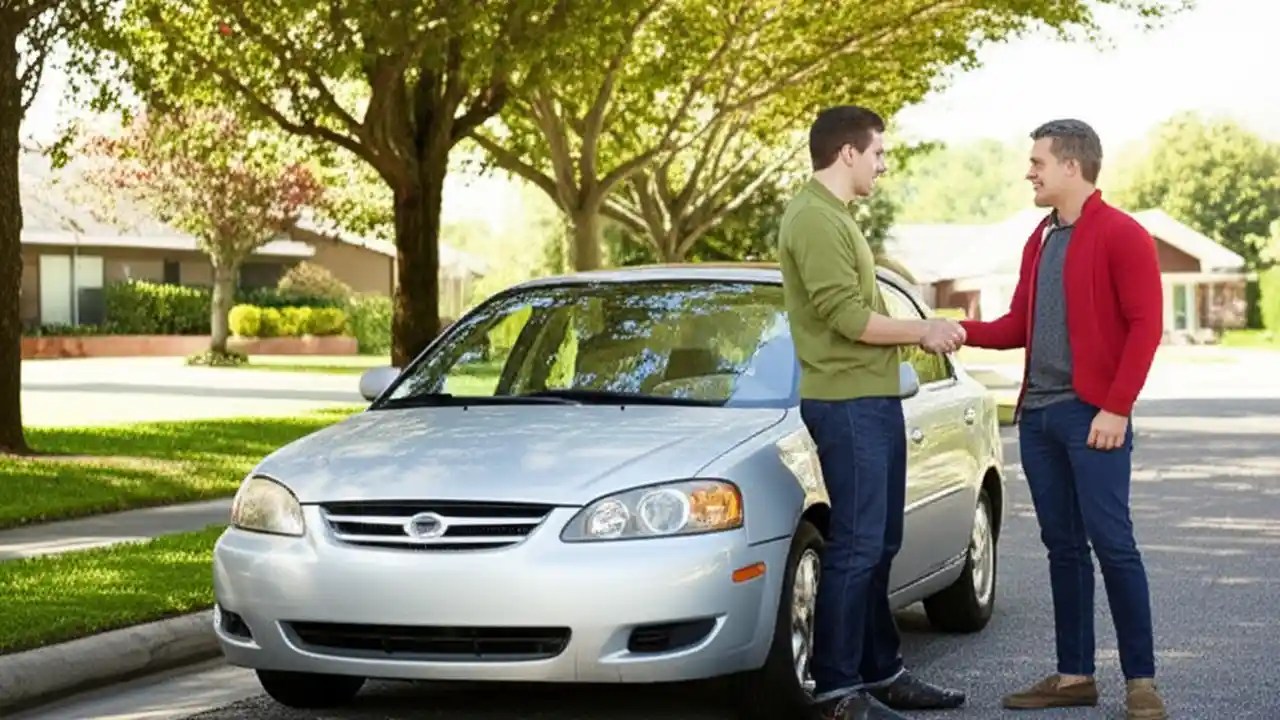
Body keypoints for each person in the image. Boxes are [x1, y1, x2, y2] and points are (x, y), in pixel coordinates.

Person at [957, 119, 1167, 720]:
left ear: (1071, 166)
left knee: (1113, 544)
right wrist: (954, 333)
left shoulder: (1123, 234)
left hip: (1092, 416)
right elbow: (1015, 323)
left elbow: (1146, 326)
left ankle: (1141, 681)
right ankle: (1075, 675)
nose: (1030, 171)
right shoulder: (1041, 238)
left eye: (1038, 162)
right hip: (1040, 419)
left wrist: (1116, 407)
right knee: (1063, 548)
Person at [778, 104, 967, 720]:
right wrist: (924, 329)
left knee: (879, 543)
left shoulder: (838, 217)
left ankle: (881, 672)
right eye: (879, 153)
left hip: (874, 399)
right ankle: (837, 691)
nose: (884, 165)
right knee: (857, 547)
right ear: (848, 153)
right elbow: (848, 318)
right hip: (846, 402)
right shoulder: (812, 218)